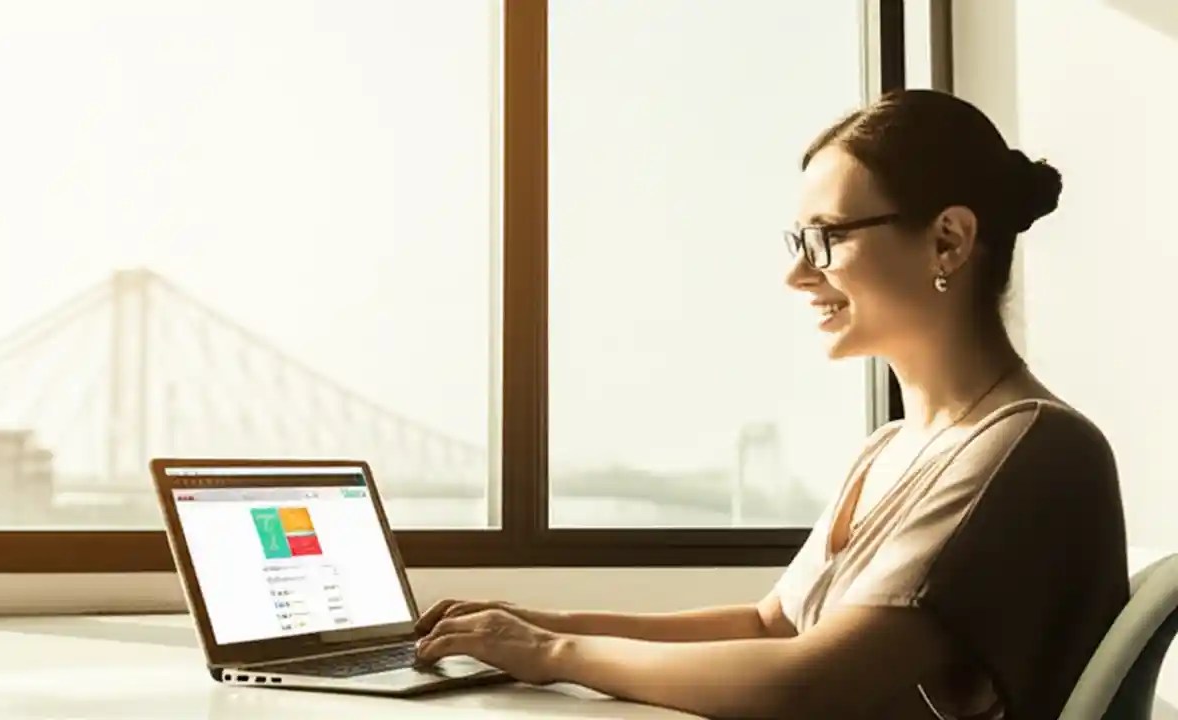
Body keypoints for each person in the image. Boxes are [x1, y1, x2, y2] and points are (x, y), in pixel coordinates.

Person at [413, 89, 1129, 719]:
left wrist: (553, 652)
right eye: (798, 241)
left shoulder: (1032, 446)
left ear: (949, 240)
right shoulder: (889, 449)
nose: (796, 275)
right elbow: (770, 626)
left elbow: (803, 684)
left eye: (826, 238)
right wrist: (538, 624)